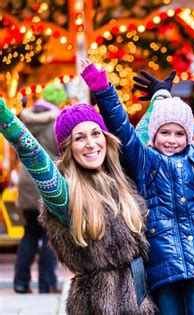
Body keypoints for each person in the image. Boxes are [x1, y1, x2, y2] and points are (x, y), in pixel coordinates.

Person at [80, 59, 194, 315]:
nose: (172, 140)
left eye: (179, 133)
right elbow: (122, 128)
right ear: (154, 134)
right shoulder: (145, 162)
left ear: (189, 135)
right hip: (164, 260)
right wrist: (103, 89)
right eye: (165, 133)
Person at [0, 99, 156, 314]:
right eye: (79, 138)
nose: (91, 143)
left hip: (145, 298)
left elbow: (142, 135)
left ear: (105, 138)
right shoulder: (65, 195)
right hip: (97, 307)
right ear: (68, 148)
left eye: (96, 133)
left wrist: (160, 96)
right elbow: (30, 152)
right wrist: (3, 115)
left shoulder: (122, 178)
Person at [13, 83, 66, 294]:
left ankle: (20, 282)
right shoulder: (57, 122)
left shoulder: (24, 121)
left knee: (29, 234)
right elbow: (62, 153)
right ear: (58, 101)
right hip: (46, 182)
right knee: (50, 235)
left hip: (26, 182)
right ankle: (47, 283)